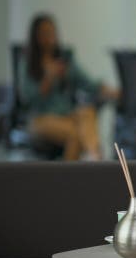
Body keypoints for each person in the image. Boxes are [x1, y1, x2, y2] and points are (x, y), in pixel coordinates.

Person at [18, 13, 118, 160]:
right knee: (75, 135)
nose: (49, 37)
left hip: (66, 116)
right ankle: (69, 180)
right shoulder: (28, 63)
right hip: (41, 118)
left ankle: (96, 157)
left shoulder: (64, 60)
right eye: (44, 33)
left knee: (88, 112)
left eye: (52, 32)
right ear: (36, 37)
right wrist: (48, 78)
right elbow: (27, 98)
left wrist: (112, 91)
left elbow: (88, 83)